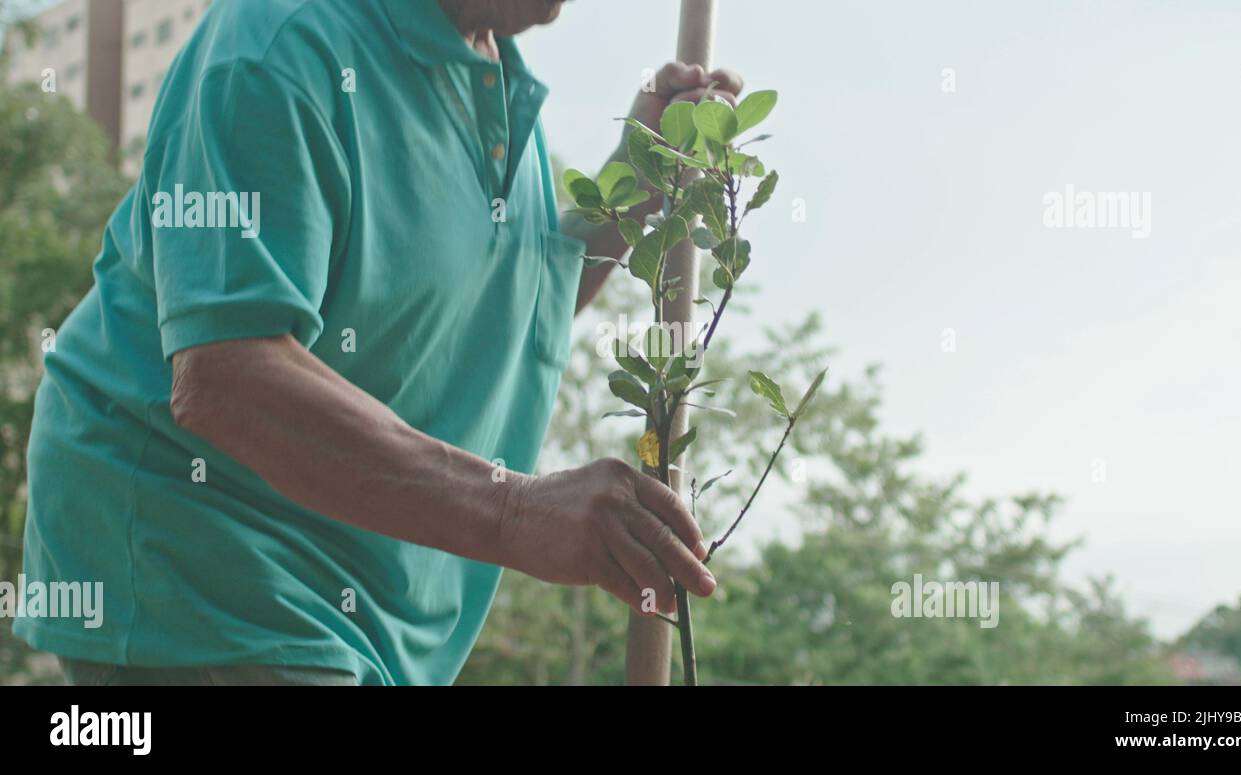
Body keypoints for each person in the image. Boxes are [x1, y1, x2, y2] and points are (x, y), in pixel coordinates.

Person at [16, 0, 744, 686]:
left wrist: (633, 188)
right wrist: (518, 513)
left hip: (362, 600)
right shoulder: (279, 47)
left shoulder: (489, 71)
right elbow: (228, 375)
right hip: (205, 571)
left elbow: (513, 293)